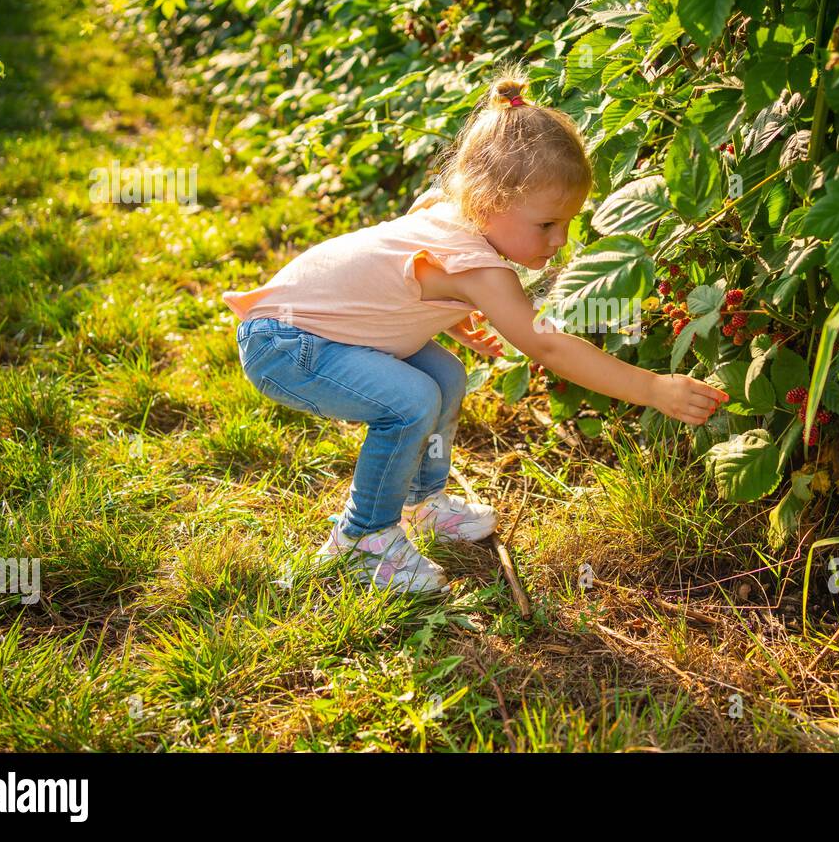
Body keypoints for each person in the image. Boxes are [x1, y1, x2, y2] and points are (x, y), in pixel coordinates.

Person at [222, 63, 729, 595]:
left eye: (567, 223)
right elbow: (546, 344)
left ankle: (421, 500)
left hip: (315, 331)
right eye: (547, 224)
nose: (559, 241)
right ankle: (363, 539)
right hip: (286, 344)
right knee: (412, 400)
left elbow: (411, 270)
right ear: (489, 203)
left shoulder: (449, 204)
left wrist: (456, 320)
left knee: (445, 375)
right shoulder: (483, 269)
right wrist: (651, 388)